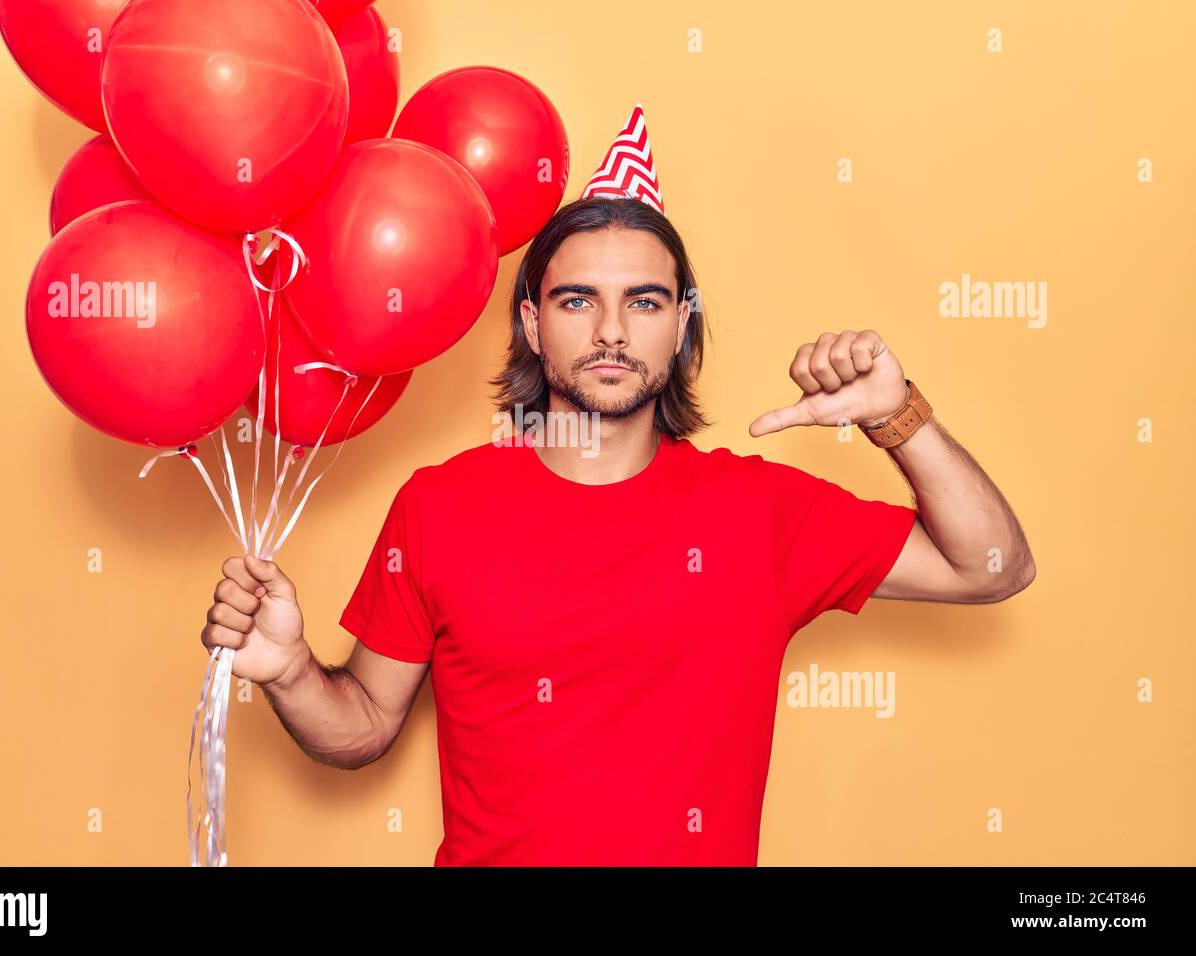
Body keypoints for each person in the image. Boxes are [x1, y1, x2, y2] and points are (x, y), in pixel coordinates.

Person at [200, 106, 1035, 866]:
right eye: (576, 300)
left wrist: (900, 417)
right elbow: (365, 727)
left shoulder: (763, 514)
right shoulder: (438, 507)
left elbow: (992, 566)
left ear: (680, 325)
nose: (609, 331)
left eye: (643, 301)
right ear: (532, 323)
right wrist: (289, 669)